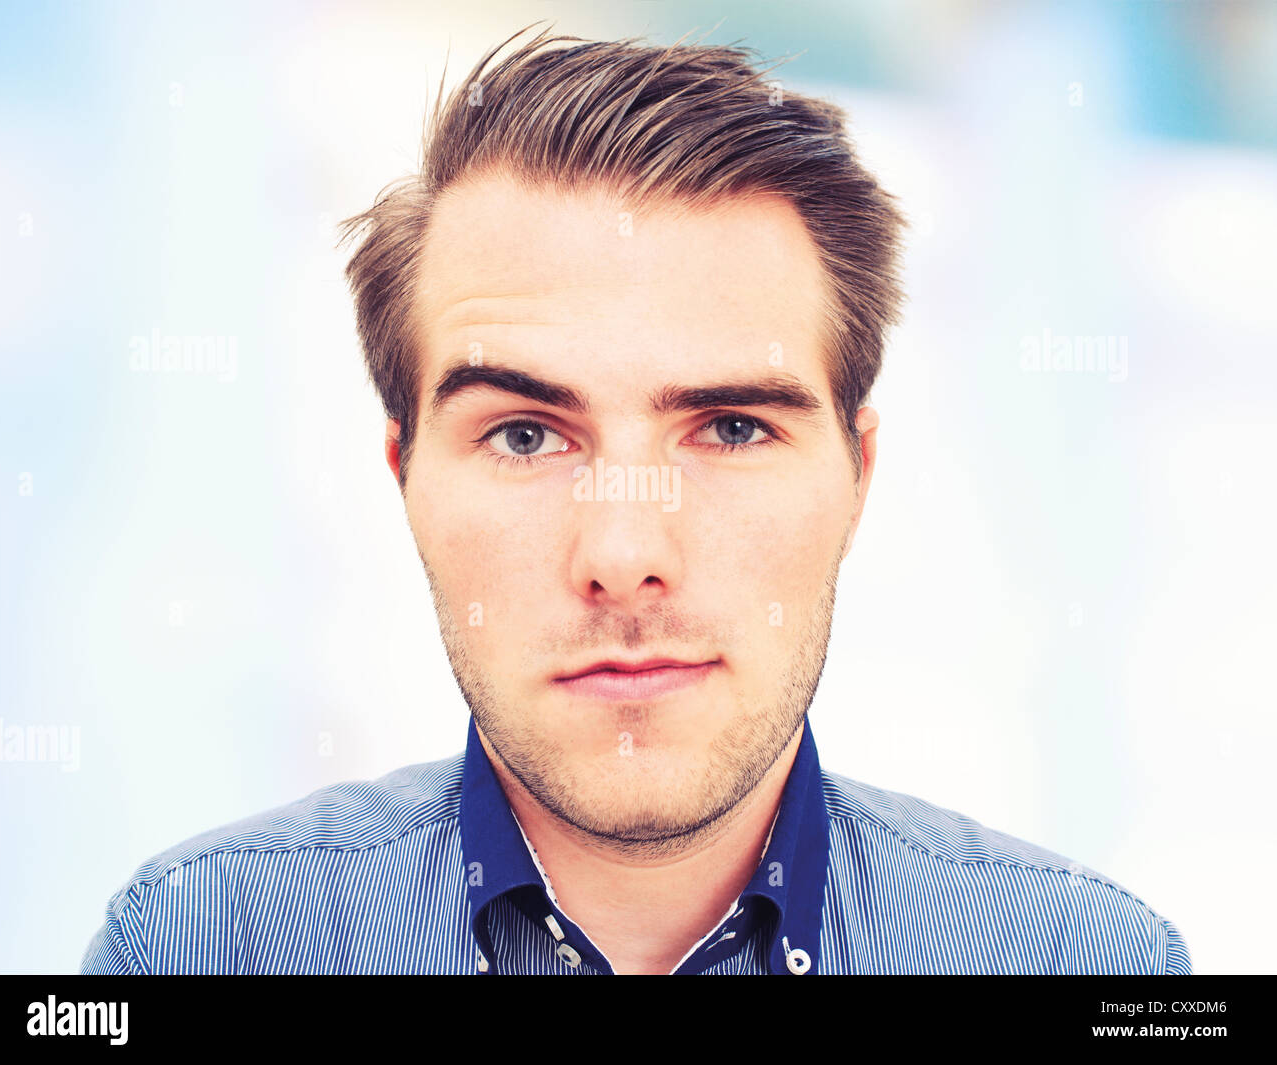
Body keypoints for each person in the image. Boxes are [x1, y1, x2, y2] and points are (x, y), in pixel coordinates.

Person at [81, 25, 1189, 975]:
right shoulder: (198, 945)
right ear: (402, 478)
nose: (622, 551)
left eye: (731, 428)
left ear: (857, 478)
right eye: (524, 435)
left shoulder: (1081, 966)